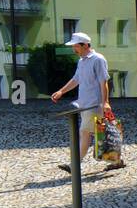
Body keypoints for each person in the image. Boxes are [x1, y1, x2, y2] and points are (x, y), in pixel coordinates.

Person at [50, 31, 125, 173]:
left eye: (76, 46)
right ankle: (117, 160)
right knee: (101, 133)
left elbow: (104, 82)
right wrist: (61, 91)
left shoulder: (98, 59)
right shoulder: (82, 61)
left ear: (85, 45)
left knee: (85, 133)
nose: (74, 49)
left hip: (94, 104)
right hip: (84, 105)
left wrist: (106, 102)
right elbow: (76, 79)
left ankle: (74, 165)